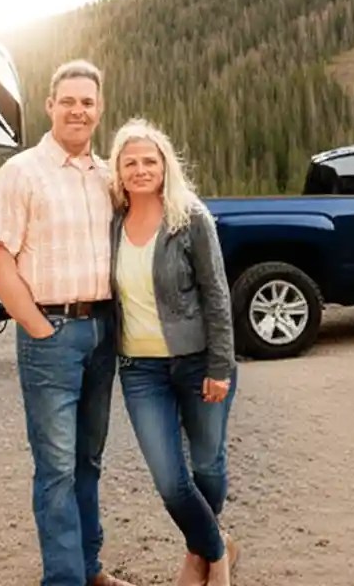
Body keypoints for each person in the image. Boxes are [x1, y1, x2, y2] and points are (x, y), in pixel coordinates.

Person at [0, 59, 137, 586]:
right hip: (51, 333)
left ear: (99, 109)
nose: (78, 110)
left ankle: (90, 569)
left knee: (88, 461)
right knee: (56, 468)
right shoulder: (21, 173)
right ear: (50, 105)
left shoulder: (107, 178)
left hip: (102, 331)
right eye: (68, 101)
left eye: (88, 102)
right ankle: (64, 579)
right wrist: (38, 326)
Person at [106, 118, 238, 586]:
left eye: (149, 161)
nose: (141, 169)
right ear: (117, 172)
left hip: (200, 361)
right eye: (130, 162)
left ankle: (196, 556)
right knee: (169, 479)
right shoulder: (113, 223)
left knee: (208, 464)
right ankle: (219, 552)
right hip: (139, 369)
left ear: (165, 166)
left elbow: (217, 295)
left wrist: (221, 367)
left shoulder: (190, 217)